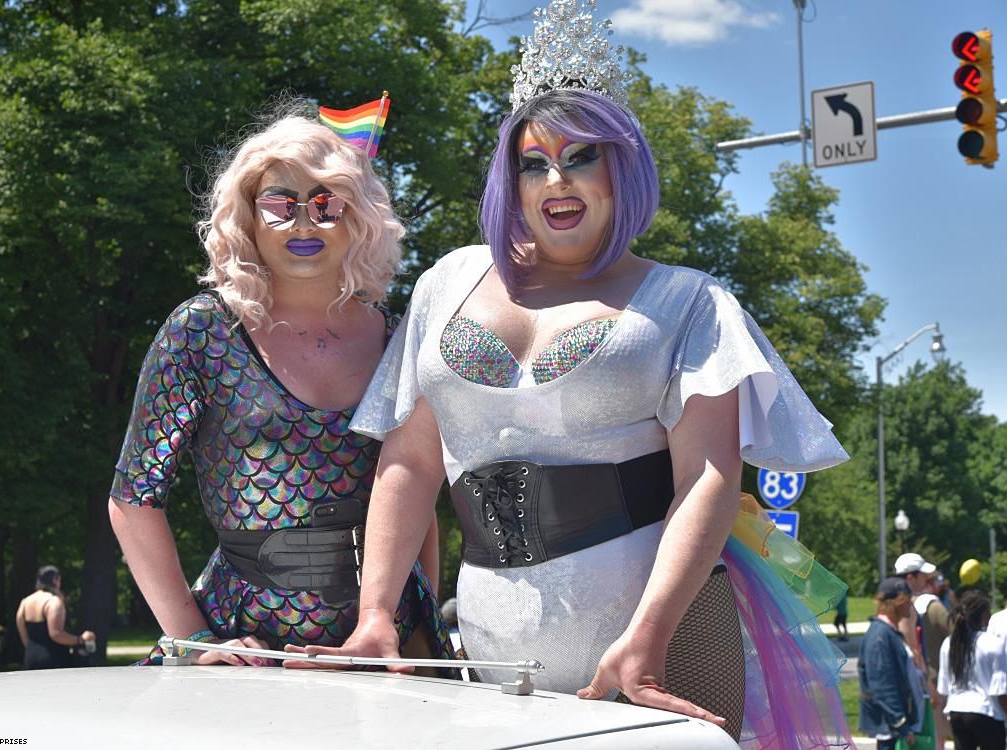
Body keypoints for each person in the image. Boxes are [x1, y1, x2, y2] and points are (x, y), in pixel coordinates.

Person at [288, 1, 852, 746]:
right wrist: (375, 617)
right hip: (494, 633)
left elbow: (709, 479)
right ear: (511, 181)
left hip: (665, 639)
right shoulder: (445, 284)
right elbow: (410, 460)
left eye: (582, 156)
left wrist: (646, 636)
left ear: (623, 169)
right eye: (533, 162)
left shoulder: (690, 301)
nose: (557, 178)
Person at [108, 107, 452, 667]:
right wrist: (195, 639)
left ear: (358, 213)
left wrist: (416, 620)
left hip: (386, 642)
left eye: (325, 202)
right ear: (246, 215)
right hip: (242, 637)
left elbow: (417, 497)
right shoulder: (202, 331)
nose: (303, 223)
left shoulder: (401, 336)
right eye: (278, 204)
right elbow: (132, 499)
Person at [937, 590, 1007, 750]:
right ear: (983, 615)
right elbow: (1001, 691)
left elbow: (944, 687)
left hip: (956, 711)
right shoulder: (992, 643)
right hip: (985, 711)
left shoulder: (949, 643)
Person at [897, 551, 951, 749]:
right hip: (914, 682)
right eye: (922, 575)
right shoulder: (905, 606)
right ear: (910, 577)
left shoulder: (901, 603)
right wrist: (928, 684)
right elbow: (912, 647)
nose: (926, 579)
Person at [860, 577, 920, 750]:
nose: (911, 604)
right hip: (890, 728)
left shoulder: (889, 632)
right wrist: (900, 723)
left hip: (894, 727)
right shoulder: (880, 636)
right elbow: (882, 686)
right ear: (899, 601)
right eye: (909, 600)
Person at [14, 565, 96, 670]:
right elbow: (56, 634)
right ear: (55, 579)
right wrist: (81, 640)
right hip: (54, 659)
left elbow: (24, 637)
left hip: (30, 658)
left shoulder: (24, 602)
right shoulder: (53, 602)